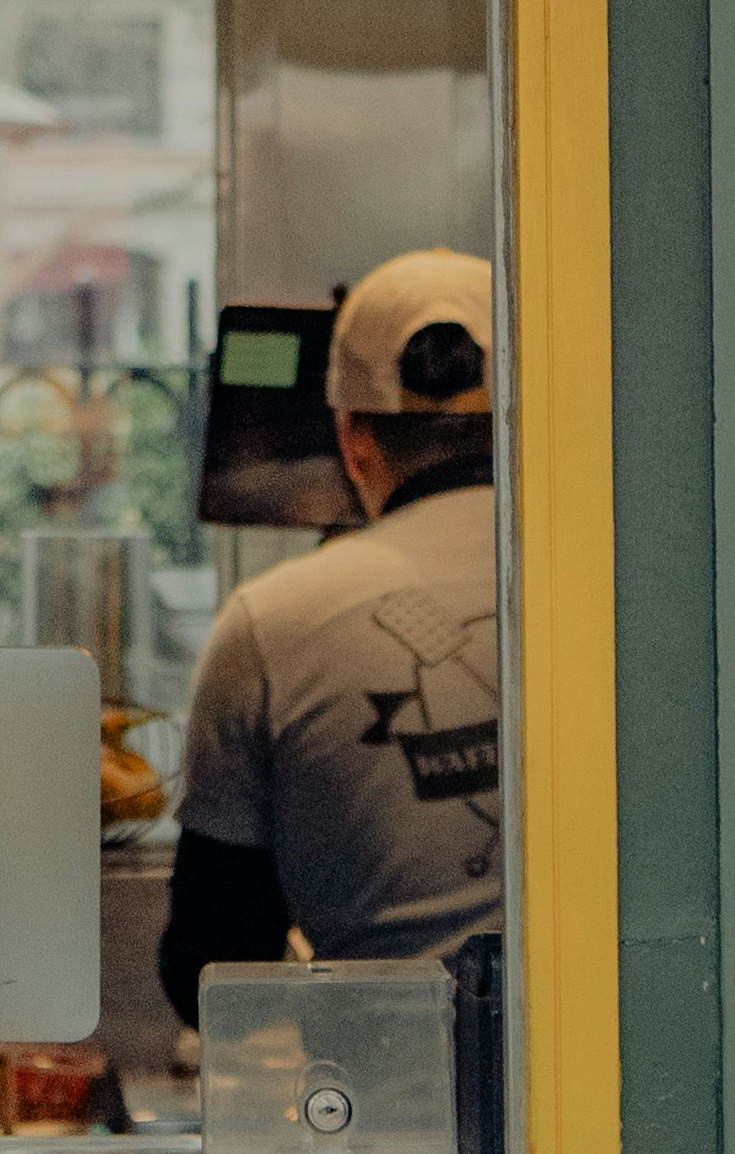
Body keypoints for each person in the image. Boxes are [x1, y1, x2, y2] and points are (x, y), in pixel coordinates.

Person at [160, 252, 501, 1015]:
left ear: (353, 437)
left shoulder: (270, 622)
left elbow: (213, 970)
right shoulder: (619, 587)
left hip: (385, 1100)